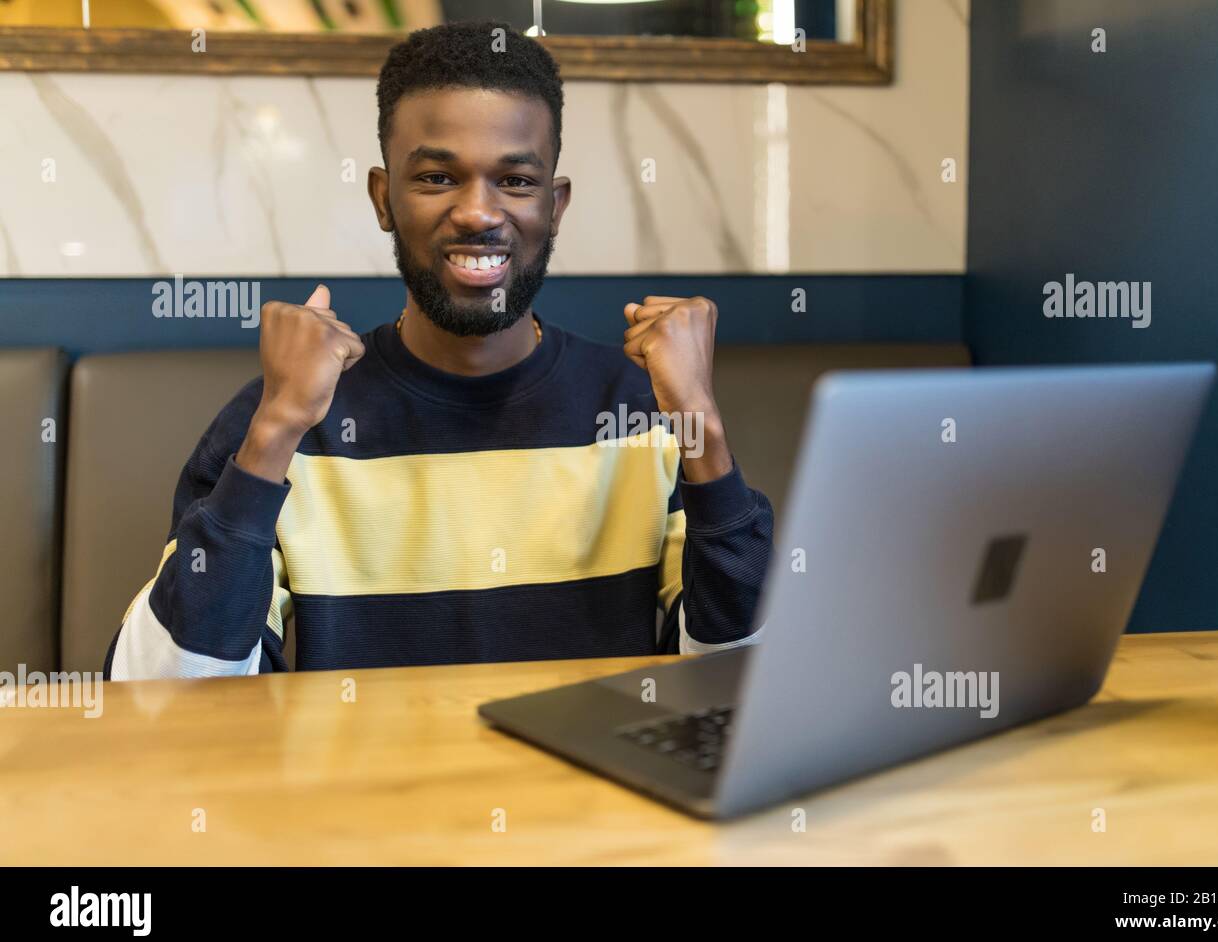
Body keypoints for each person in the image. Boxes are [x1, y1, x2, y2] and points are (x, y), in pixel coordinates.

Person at [106, 20, 773, 679]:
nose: (480, 213)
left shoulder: (644, 411)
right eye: (435, 178)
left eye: (515, 181)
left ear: (555, 205)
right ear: (383, 198)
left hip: (593, 788)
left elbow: (743, 681)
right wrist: (278, 428)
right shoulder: (282, 423)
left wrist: (700, 421)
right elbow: (159, 699)